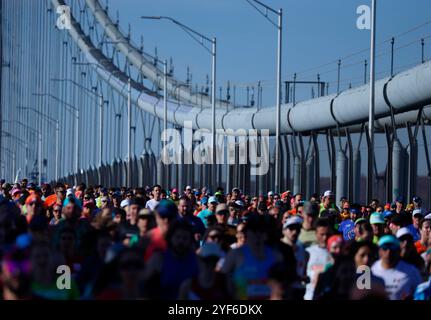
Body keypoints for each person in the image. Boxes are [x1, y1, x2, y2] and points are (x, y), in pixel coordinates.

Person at [221, 214, 283, 300]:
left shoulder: (276, 255)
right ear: (247, 233)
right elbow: (222, 280)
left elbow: (280, 285)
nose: (257, 235)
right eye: (253, 230)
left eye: (260, 231)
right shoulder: (235, 254)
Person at [144, 220, 199, 299]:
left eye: (185, 238)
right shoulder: (159, 258)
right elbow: (143, 283)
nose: (181, 241)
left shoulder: (196, 260)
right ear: (170, 238)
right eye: (178, 237)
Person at [371, 235, 422, 300]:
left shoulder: (412, 271)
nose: (389, 252)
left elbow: (421, 295)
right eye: (385, 248)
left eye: (393, 247)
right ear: (379, 251)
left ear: (398, 250)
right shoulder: (371, 270)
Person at [304, 218, 333, 300]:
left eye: (327, 235)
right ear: (316, 234)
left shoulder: (335, 253)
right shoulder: (308, 252)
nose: (325, 238)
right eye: (322, 234)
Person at [281, 216, 307, 299]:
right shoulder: (277, 250)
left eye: (298, 229)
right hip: (282, 292)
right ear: (284, 230)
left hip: (299, 292)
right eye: (291, 228)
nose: (295, 232)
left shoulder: (302, 249)